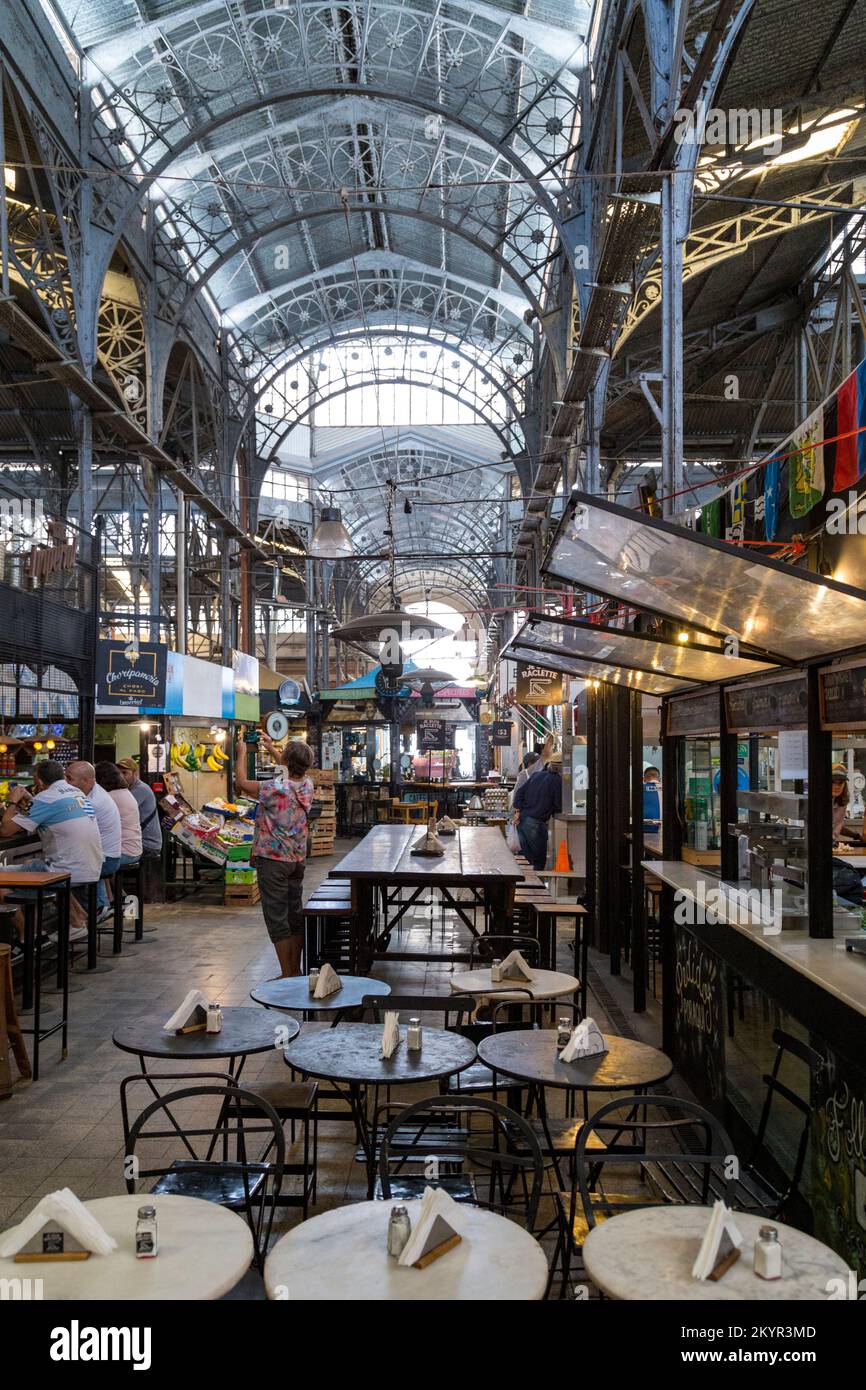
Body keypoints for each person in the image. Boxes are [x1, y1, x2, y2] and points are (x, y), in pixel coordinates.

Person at [234, 733, 315, 977]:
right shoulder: (307, 785)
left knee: (276, 917)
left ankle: (286, 973)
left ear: (288, 763)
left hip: (273, 860)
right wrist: (271, 748)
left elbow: (241, 783)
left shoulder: (273, 788)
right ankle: (295, 970)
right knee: (293, 914)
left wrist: (241, 752)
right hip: (297, 859)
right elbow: (289, 773)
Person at [0, 759, 102, 936]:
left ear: (39, 781)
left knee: (4, 879)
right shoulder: (75, 792)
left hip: (67, 872)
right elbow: (47, 812)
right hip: (92, 867)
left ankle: (28, 936)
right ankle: (76, 920)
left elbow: (6, 830)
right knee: (36, 865)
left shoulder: (46, 798)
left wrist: (13, 802)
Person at [66, 760, 122, 920]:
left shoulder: (92, 801)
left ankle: (92, 911)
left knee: (59, 876)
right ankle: (92, 910)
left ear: (86, 781)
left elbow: (74, 829)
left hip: (106, 860)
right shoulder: (92, 794)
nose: (65, 782)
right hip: (103, 856)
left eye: (70, 779)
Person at [513, 746, 562, 870]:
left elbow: (518, 793)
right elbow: (558, 804)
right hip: (535, 823)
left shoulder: (536, 775)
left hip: (523, 821)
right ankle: (536, 887)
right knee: (539, 861)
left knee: (526, 859)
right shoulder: (556, 780)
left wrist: (518, 810)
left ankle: (524, 886)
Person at [94, 762, 142, 865]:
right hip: (134, 849)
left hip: (124, 852)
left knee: (87, 862)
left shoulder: (109, 797)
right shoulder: (124, 792)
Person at [116, 757, 162, 857]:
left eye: (124, 773)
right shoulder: (127, 789)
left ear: (135, 773)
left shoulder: (140, 789)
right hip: (139, 841)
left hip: (148, 845)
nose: (121, 777)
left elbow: (118, 812)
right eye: (118, 773)